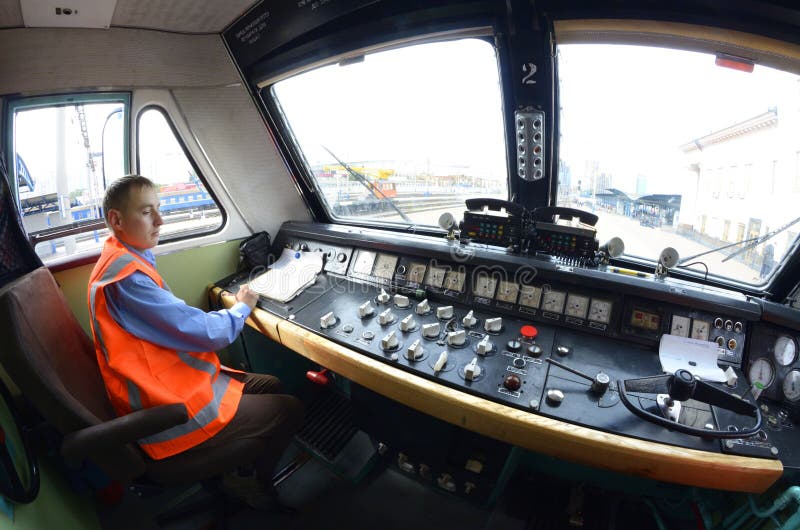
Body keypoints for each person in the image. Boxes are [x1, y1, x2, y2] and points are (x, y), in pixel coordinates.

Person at [87, 174, 303, 510]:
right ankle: (252, 485)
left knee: (271, 383)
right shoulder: (125, 279)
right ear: (116, 219)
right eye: (147, 212)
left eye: (158, 209)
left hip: (177, 387)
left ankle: (232, 470)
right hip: (166, 412)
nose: (160, 220)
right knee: (288, 409)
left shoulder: (125, 259)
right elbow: (207, 333)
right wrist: (242, 306)